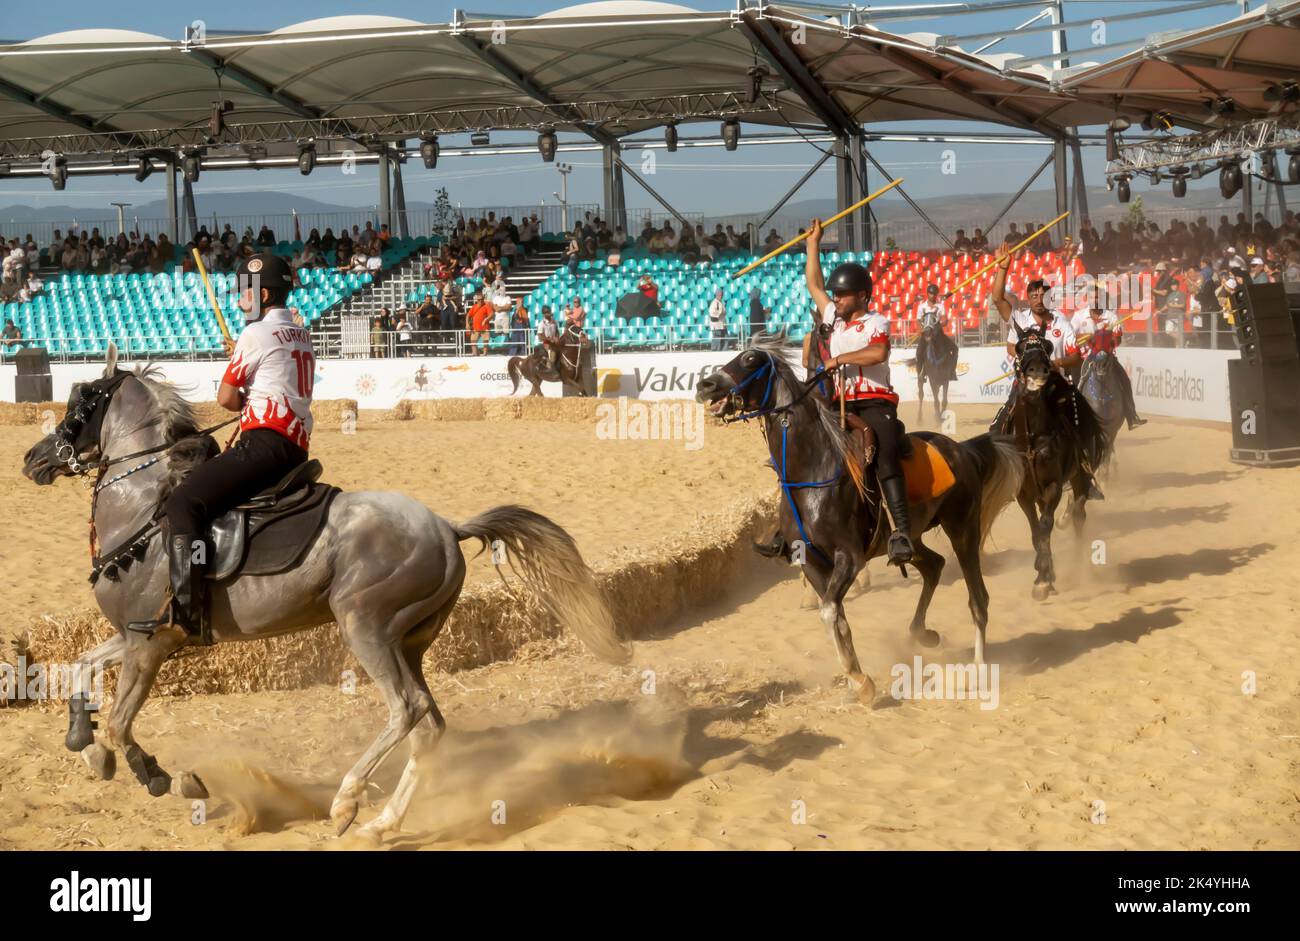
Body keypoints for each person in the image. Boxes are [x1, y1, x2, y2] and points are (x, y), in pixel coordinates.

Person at [162, 253, 312, 643]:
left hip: (262, 445)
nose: (238, 299)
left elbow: (227, 398)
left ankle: (187, 610)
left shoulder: (255, 334)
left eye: (245, 292)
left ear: (263, 293)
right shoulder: (299, 331)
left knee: (183, 503)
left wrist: (241, 367)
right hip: (294, 447)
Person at [802, 217, 914, 566]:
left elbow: (878, 353)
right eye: (835, 294)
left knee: (883, 458)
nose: (836, 298)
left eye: (843, 294)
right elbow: (813, 283)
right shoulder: (834, 316)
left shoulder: (876, 322)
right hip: (838, 404)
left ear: (862, 295)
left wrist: (839, 359)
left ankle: (902, 532)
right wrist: (813, 245)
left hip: (874, 404)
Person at [987, 241, 1101, 499]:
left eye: (1043, 295)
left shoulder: (1062, 321)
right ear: (1028, 298)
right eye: (1034, 295)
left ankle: (1085, 474)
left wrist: (1055, 364)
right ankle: (998, 472)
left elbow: (1075, 356)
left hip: (1055, 385)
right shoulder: (1020, 318)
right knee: (999, 424)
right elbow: (997, 298)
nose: (1039, 299)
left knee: (1082, 424)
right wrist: (1003, 269)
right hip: (1025, 386)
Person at [1077, 294, 1146, 431]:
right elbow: (1072, 335)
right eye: (1092, 297)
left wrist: (1109, 338)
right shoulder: (1079, 316)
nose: (1095, 300)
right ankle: (1077, 416)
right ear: (1088, 299)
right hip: (1088, 357)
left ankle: (1132, 416)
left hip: (1108, 357)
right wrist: (1090, 336)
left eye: (1098, 297)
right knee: (1079, 381)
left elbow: (1118, 339)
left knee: (1125, 380)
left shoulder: (1111, 317)